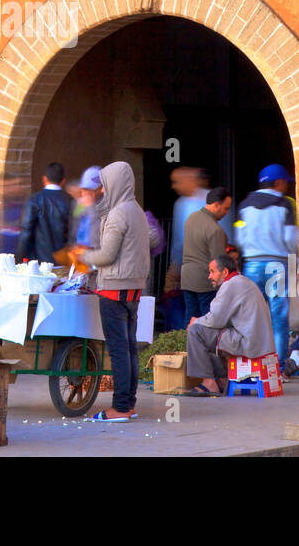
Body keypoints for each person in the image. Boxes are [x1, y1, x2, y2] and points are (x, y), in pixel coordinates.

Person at [78, 161, 150, 422]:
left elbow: (107, 254)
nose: (104, 190)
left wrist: (84, 256)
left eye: (106, 185)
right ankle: (128, 403)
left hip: (113, 289)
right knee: (130, 348)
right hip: (133, 289)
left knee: (119, 350)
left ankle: (119, 408)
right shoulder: (137, 211)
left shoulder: (119, 213)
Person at [182, 254, 275, 396]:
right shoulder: (243, 281)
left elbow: (215, 319)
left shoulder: (231, 285)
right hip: (258, 342)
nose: (209, 276)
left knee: (195, 331)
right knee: (209, 333)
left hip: (248, 343)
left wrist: (196, 321)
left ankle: (209, 383)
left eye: (212, 271)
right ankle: (222, 379)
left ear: (224, 272)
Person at [238, 164, 299, 365]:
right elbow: (290, 239)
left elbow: (240, 237)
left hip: (252, 265)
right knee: (279, 320)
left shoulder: (244, 205)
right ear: (279, 182)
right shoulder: (285, 205)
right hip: (278, 265)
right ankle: (278, 367)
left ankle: (251, 363)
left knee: (251, 318)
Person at [165, 167, 208, 330]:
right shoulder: (181, 203)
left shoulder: (209, 200)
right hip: (185, 267)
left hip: (204, 267)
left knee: (201, 310)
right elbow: (178, 239)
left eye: (177, 181)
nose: (174, 186)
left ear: (190, 180)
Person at [181, 187, 231, 321]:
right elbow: (219, 263)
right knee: (208, 322)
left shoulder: (190, 219)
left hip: (187, 278)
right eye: (226, 208)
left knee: (190, 319)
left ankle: (187, 342)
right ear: (216, 205)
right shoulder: (215, 230)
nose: (226, 212)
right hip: (206, 282)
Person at [19, 162, 73, 263]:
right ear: (63, 181)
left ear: (44, 178)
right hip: (64, 260)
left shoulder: (34, 200)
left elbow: (26, 232)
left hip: (39, 260)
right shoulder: (71, 201)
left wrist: (20, 258)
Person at [71, 166, 102, 247]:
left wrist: (91, 207)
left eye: (92, 189)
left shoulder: (106, 203)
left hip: (96, 251)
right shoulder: (78, 203)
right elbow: (74, 224)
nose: (87, 193)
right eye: (85, 189)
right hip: (79, 249)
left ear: (101, 188)